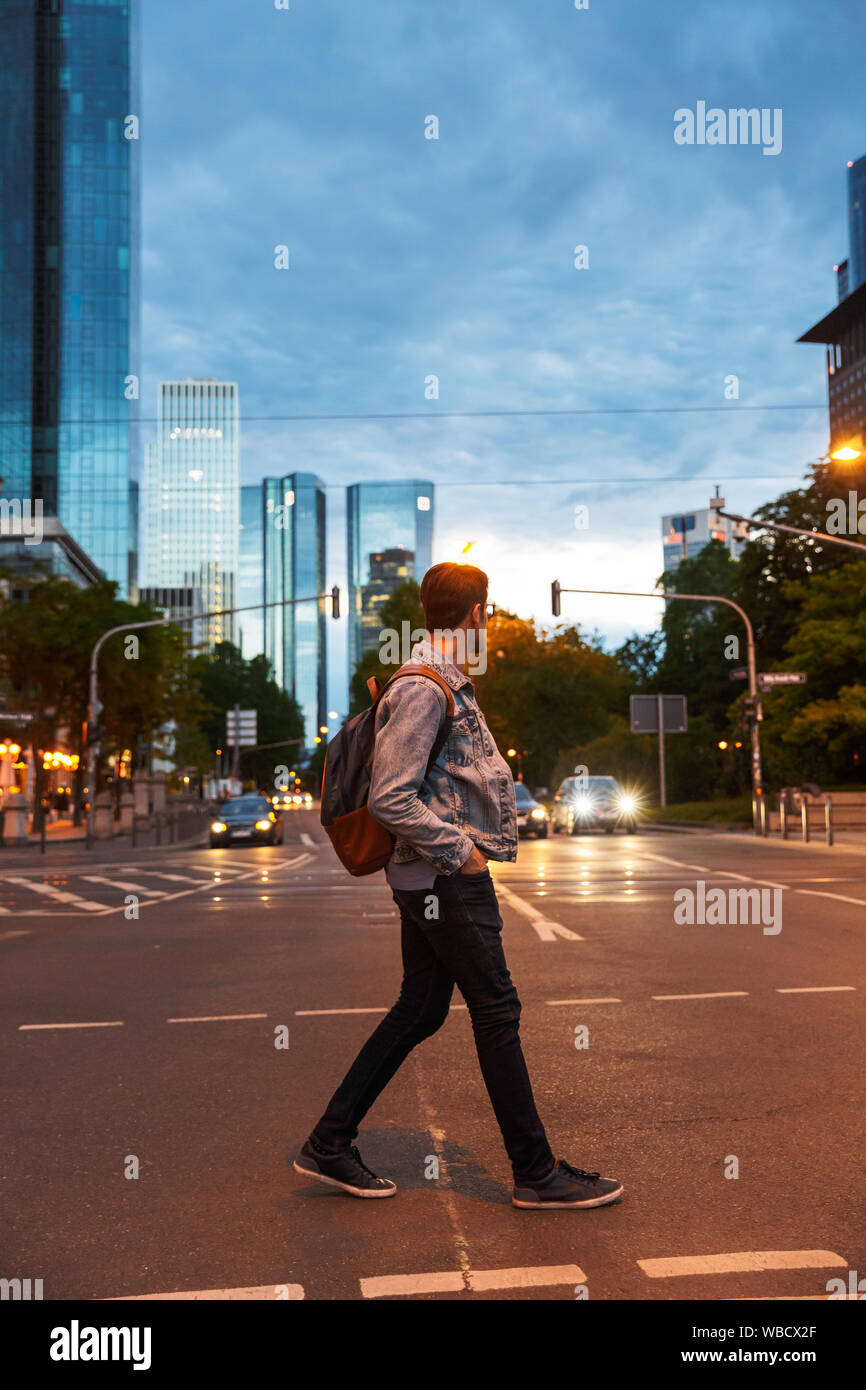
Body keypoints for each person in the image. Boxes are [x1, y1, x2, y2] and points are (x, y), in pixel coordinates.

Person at [294, 562, 623, 1210]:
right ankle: (535, 1172)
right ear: (475, 615)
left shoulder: (443, 681)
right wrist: (462, 853)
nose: (490, 624)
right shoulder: (425, 686)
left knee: (421, 1008)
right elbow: (391, 796)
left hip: (430, 878)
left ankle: (329, 1141)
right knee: (496, 1009)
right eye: (488, 612)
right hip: (443, 879)